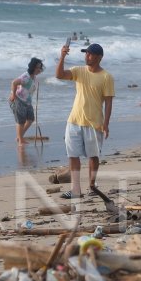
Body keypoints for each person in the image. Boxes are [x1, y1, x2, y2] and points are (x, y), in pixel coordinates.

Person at [56, 42, 114, 201]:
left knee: (93, 156)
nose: (86, 56)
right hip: (74, 121)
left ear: (99, 57)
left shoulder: (106, 77)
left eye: (90, 54)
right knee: (73, 155)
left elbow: (108, 102)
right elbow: (59, 75)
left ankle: (92, 185)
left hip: (94, 123)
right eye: (86, 53)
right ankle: (75, 189)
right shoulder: (78, 71)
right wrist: (62, 56)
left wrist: (106, 124)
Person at [9, 57, 45, 145]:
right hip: (18, 100)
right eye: (37, 67)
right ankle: (20, 140)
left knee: (31, 119)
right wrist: (13, 94)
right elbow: (14, 83)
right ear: (32, 67)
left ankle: (19, 136)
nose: (39, 69)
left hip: (27, 102)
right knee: (20, 121)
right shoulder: (26, 77)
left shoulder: (34, 77)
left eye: (40, 67)